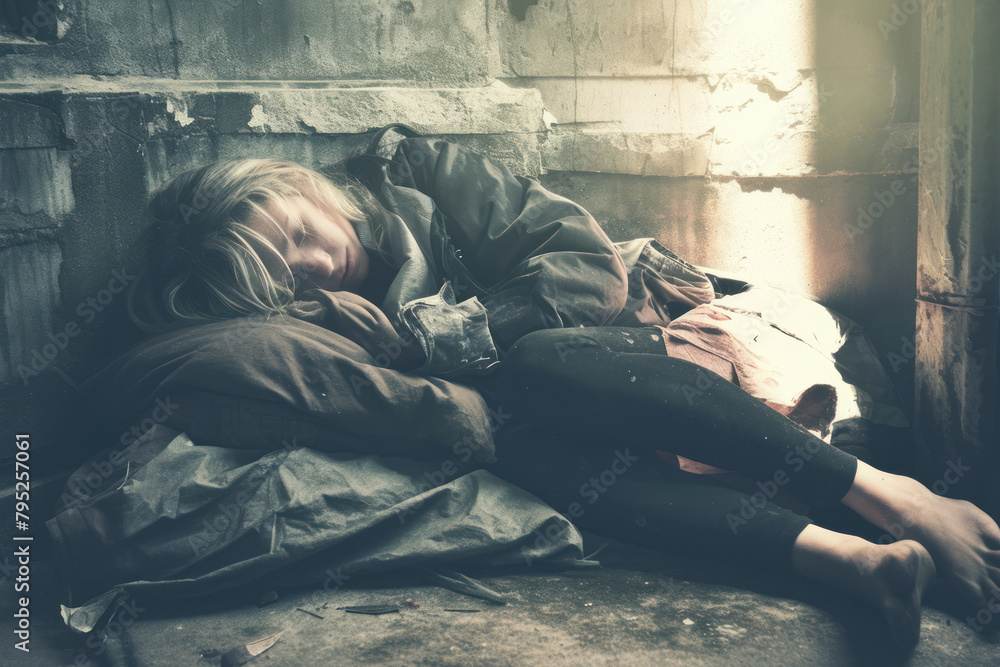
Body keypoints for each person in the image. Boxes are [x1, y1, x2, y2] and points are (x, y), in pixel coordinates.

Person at [125, 134, 1000, 649]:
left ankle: (894, 496)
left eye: (298, 234)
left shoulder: (419, 172)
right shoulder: (324, 314)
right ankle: (858, 563)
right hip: (547, 424)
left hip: (628, 351)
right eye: (289, 276)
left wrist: (442, 332)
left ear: (296, 188)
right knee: (529, 453)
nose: (319, 262)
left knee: (537, 361)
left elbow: (588, 270)